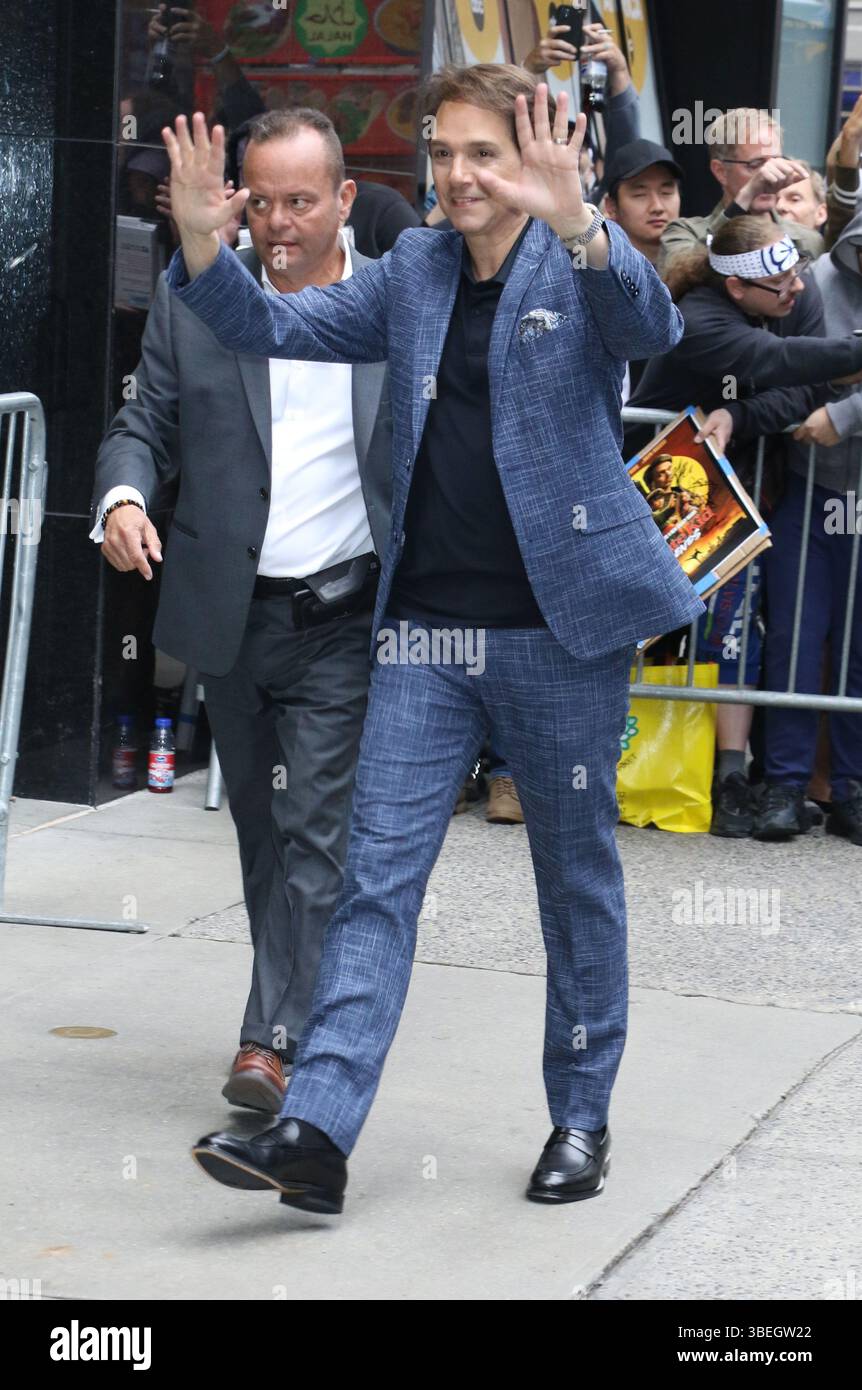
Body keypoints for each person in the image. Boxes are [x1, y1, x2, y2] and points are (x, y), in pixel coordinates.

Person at [162, 64, 704, 1214]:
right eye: (442, 154)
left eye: (481, 154)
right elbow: (272, 323)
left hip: (560, 633)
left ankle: (580, 1113)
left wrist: (583, 219)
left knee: (574, 881)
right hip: (422, 637)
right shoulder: (409, 270)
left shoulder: (576, 260)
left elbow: (649, 327)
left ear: (532, 160)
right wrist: (210, 248)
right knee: (374, 882)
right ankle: (316, 1127)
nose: (457, 177)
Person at [91, 107, 393, 1114]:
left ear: (344, 199)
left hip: (346, 619)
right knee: (264, 834)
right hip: (235, 616)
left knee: (317, 831)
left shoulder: (397, 304)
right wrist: (124, 495)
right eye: (258, 201)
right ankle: (298, 1006)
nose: (277, 223)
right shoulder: (197, 301)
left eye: (300, 201)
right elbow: (144, 422)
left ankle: (269, 1040)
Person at [632, 216, 862, 837]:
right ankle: (614, 764)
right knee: (649, 631)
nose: (796, 288)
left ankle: (731, 776)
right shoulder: (700, 318)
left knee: (733, 630)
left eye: (794, 271)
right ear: (737, 289)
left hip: (749, 490)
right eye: (778, 282)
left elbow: (805, 388)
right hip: (660, 487)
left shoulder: (795, 292)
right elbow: (776, 357)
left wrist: (736, 413)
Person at [760, 206, 862, 844]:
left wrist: (848, 410)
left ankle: (851, 790)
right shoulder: (818, 280)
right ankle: (785, 786)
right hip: (808, 482)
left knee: (859, 647)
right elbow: (782, 363)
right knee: (795, 638)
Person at [659, 108, 824, 273]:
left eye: (776, 162)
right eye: (755, 165)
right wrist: (746, 196)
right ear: (721, 171)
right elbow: (680, 278)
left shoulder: (807, 240)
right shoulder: (685, 233)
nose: (768, 175)